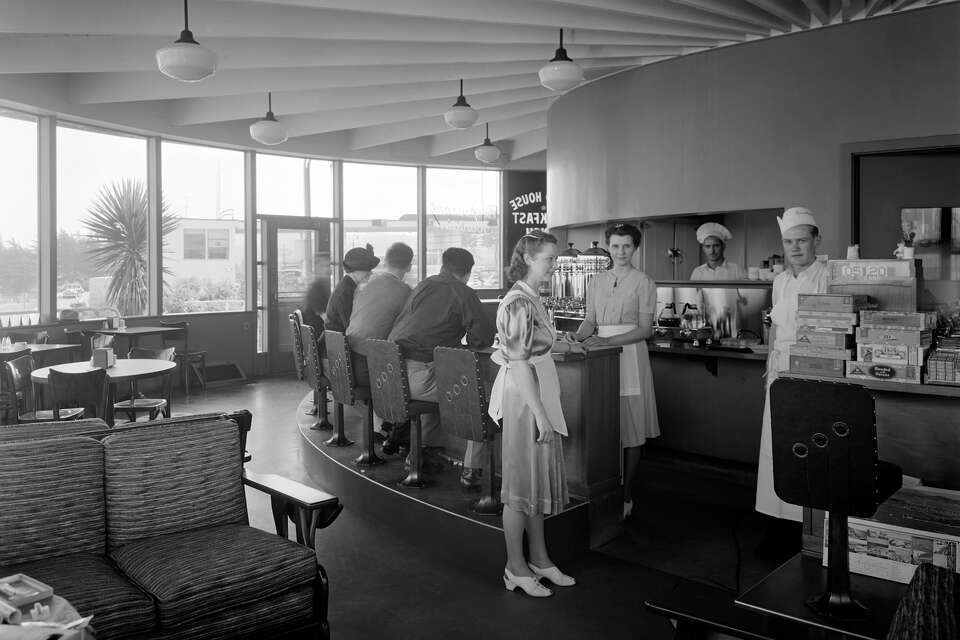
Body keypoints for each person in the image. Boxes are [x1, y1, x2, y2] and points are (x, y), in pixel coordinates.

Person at [489, 230, 578, 597]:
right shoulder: (518, 303)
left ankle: (540, 559)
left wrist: (563, 341)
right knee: (519, 487)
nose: (554, 266)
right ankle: (515, 567)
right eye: (548, 259)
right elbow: (519, 364)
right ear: (527, 259)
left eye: (554, 259)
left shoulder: (532, 298)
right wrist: (540, 414)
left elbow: (537, 347)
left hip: (538, 390)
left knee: (536, 482)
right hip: (525, 398)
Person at [569, 223, 659, 520]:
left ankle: (626, 494)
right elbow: (589, 322)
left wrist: (608, 341)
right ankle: (602, 493)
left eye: (627, 246)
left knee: (631, 430)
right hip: (600, 355)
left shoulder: (643, 282)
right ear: (609, 246)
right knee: (603, 424)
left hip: (630, 355)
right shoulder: (596, 281)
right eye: (616, 246)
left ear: (635, 248)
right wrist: (574, 339)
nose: (621, 252)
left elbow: (645, 330)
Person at [755, 207, 830, 555]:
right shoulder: (780, 281)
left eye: (802, 240)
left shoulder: (827, 277)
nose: (795, 248)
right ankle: (777, 530)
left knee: (808, 451)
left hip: (813, 373)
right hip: (780, 373)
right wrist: (768, 370)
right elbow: (775, 329)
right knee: (776, 450)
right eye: (789, 242)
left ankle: (810, 536)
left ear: (816, 240)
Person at [387, 247, 495, 480]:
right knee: (485, 394)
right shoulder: (462, 292)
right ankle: (472, 469)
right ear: (467, 272)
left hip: (391, 372)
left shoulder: (422, 286)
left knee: (443, 376)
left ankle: (420, 453)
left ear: (443, 266)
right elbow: (482, 338)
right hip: (419, 377)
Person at [346, 242, 414, 450]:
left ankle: (383, 426)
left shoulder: (364, 284)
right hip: (370, 369)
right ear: (410, 267)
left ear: (384, 261)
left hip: (347, 361)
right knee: (414, 377)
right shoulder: (406, 292)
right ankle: (397, 433)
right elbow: (406, 332)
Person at [325, 245, 378, 333]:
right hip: (340, 343)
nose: (370, 273)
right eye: (367, 270)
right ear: (355, 270)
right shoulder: (346, 292)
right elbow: (351, 326)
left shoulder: (346, 285)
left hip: (336, 340)